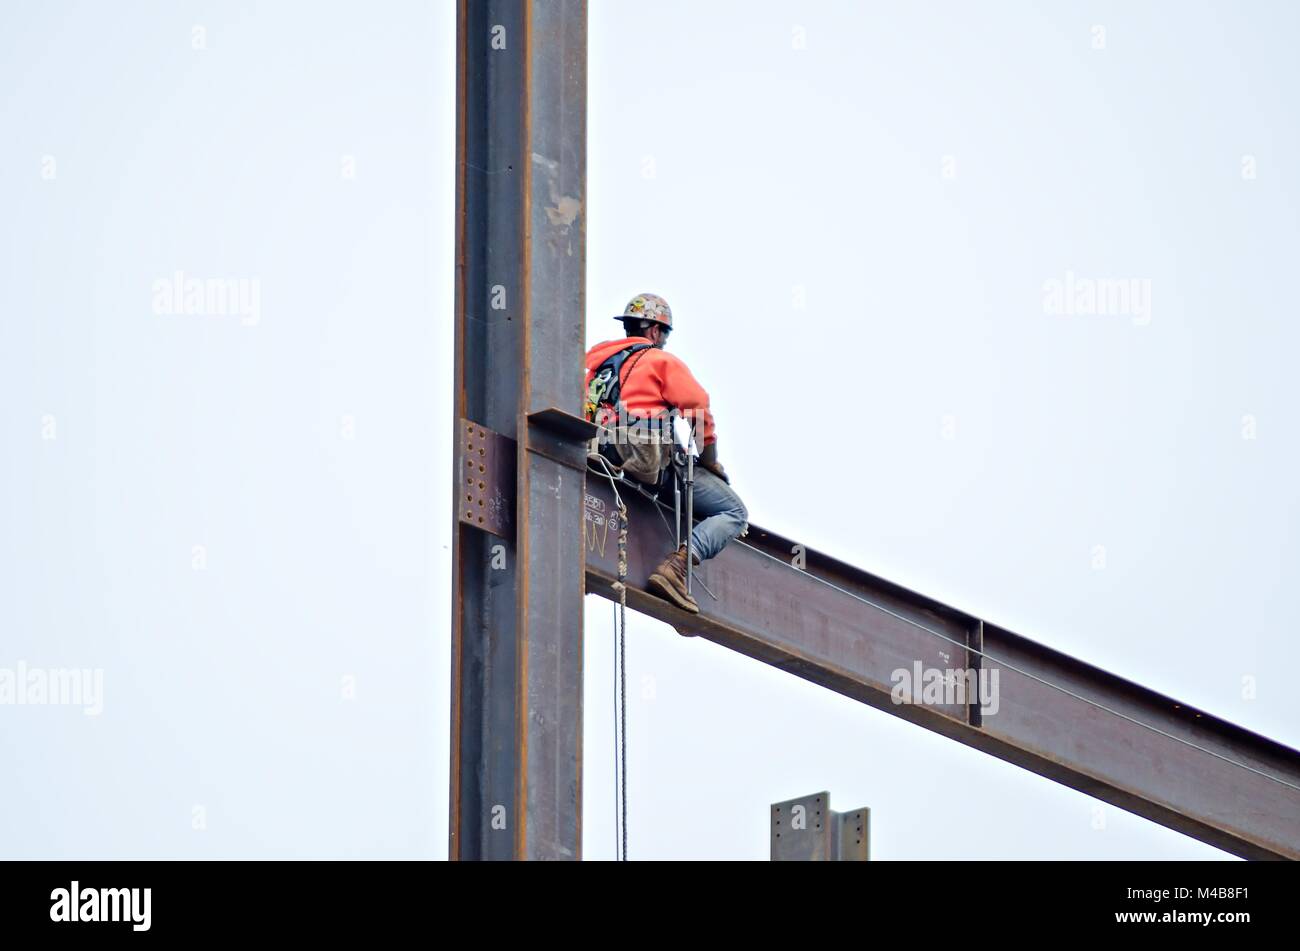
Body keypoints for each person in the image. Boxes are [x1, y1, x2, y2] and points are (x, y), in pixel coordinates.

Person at [583, 293, 747, 614]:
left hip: (597, 450)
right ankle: (677, 568)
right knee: (733, 512)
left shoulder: (595, 361)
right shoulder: (661, 361)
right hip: (646, 459)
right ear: (656, 332)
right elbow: (699, 412)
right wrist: (711, 462)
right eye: (665, 335)